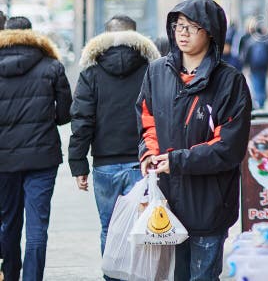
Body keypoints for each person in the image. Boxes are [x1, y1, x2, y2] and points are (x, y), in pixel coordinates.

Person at [136, 0, 252, 281]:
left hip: (209, 203)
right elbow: (146, 122)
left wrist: (177, 161)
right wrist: (149, 154)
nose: (183, 33)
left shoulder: (229, 81)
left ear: (210, 32)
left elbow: (228, 146)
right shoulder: (157, 72)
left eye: (192, 27)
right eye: (179, 26)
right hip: (166, 203)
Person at [67, 15, 160, 264]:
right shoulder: (152, 70)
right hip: (142, 162)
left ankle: (113, 276)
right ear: (137, 36)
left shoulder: (91, 73)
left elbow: (82, 119)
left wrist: (78, 165)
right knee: (142, 227)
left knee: (109, 227)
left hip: (104, 165)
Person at [0, 16, 72, 281]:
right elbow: (65, 114)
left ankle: (10, 275)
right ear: (32, 35)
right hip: (42, 158)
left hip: (3, 160)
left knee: (9, 221)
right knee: (37, 225)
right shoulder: (52, 66)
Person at [242, 23, 268, 109]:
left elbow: (246, 55)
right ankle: (262, 102)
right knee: (263, 84)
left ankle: (259, 102)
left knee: (256, 85)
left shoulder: (250, 41)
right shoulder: (266, 41)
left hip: (254, 67)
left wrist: (245, 66)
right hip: (264, 66)